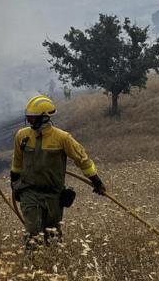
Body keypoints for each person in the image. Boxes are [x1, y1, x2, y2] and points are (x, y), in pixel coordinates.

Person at [10, 95, 105, 253]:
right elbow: (17, 163)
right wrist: (14, 186)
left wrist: (97, 182)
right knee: (32, 232)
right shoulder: (22, 136)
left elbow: (83, 160)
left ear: (45, 118)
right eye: (28, 118)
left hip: (53, 194)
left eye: (33, 119)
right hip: (29, 191)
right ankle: (32, 267)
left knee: (52, 235)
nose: (30, 122)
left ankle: (55, 265)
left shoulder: (62, 138)